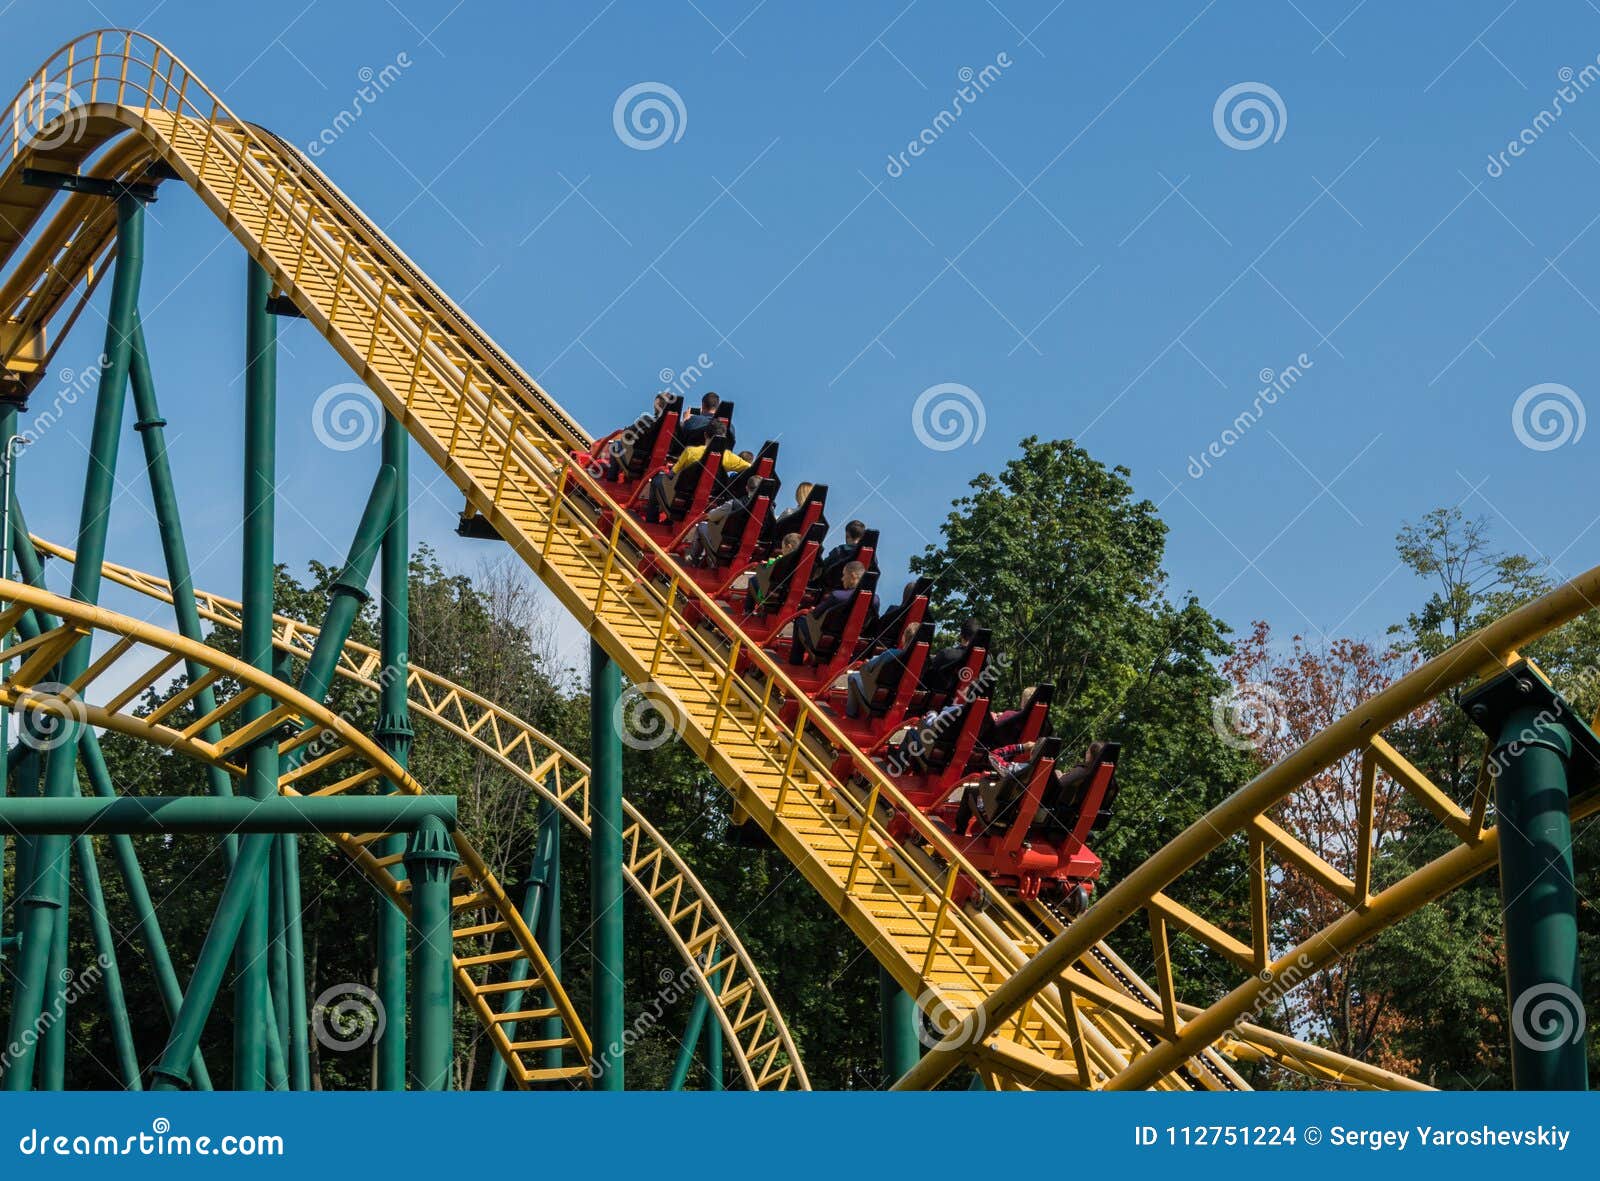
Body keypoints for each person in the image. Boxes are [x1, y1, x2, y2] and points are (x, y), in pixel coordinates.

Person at [644, 420, 749, 522]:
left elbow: (672, 474)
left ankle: (651, 520)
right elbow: (750, 469)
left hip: (682, 496)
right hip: (711, 498)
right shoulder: (728, 457)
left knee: (657, 479)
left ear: (705, 435)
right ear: (724, 438)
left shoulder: (690, 452)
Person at [789, 560, 877, 664]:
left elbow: (815, 615)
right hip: (851, 649)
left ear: (853, 576)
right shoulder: (875, 600)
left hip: (824, 644)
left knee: (801, 620)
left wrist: (811, 611)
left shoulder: (837, 596)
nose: (842, 579)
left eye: (844, 575)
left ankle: (795, 661)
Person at [687, 474, 770, 566]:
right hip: (750, 552)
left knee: (701, 526)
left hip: (726, 546)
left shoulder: (734, 504)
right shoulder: (769, 511)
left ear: (747, 488)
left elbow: (712, 516)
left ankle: (693, 559)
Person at [845, 621, 918, 719]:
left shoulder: (892, 653)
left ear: (904, 637)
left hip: (875, 697)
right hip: (895, 703)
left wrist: (871, 661)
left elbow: (867, 668)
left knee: (853, 676)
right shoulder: (917, 664)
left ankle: (851, 714)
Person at [741, 532, 801, 612]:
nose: (782, 550)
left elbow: (768, 575)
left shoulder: (783, 561)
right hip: (791, 595)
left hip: (775, 592)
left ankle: (748, 610)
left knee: (753, 580)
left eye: (783, 548)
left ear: (788, 546)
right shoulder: (801, 561)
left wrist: (760, 568)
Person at [920, 618, 979, 696]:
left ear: (961, 635)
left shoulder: (946, 654)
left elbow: (929, 675)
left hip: (939, 702)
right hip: (968, 703)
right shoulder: (985, 659)